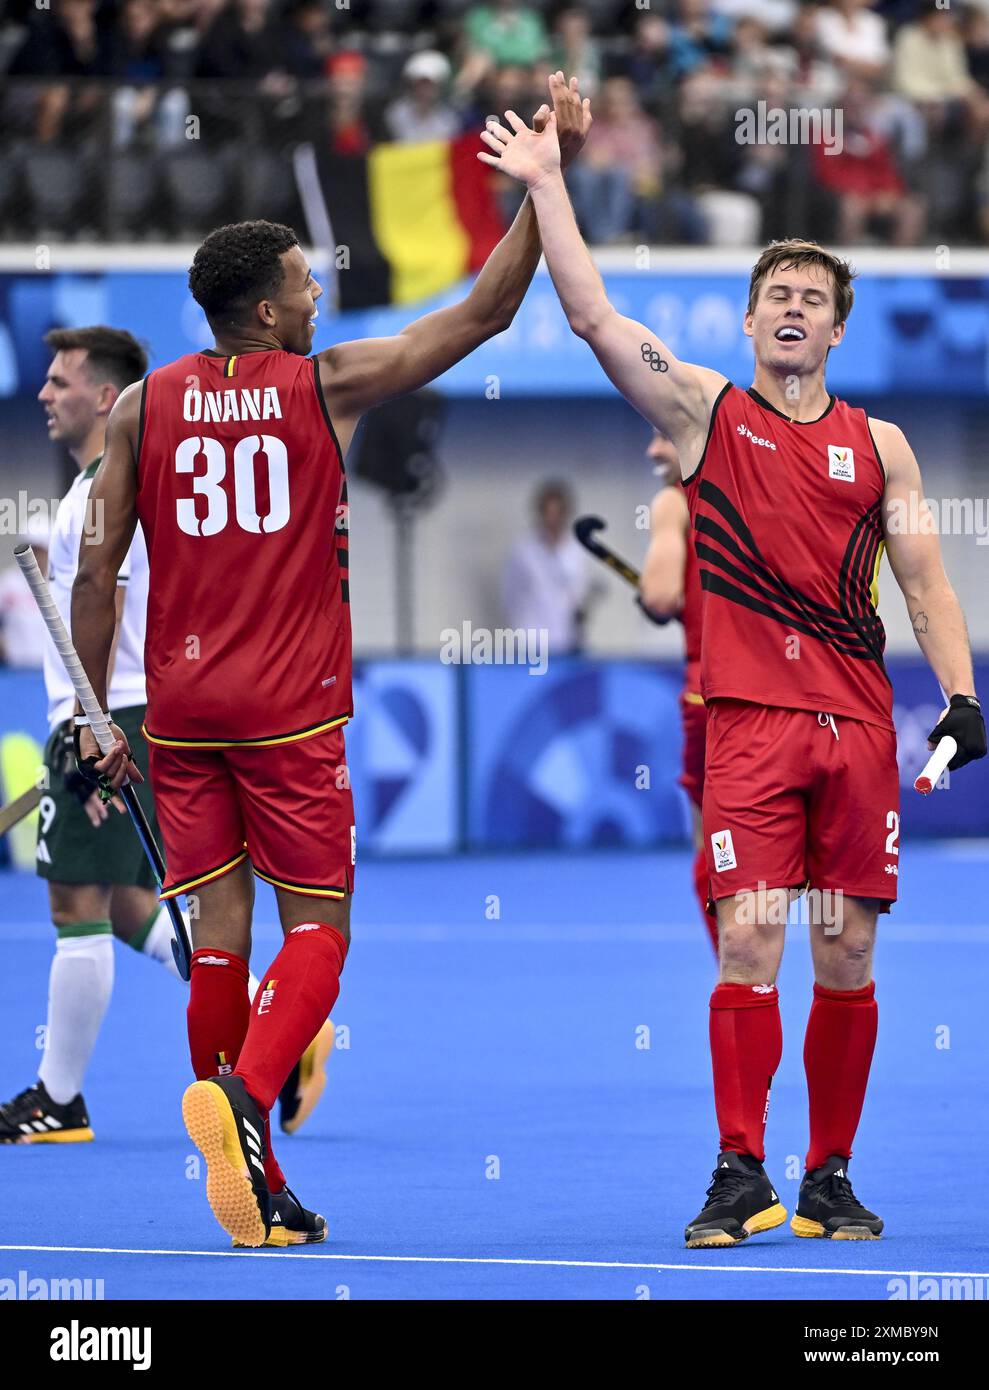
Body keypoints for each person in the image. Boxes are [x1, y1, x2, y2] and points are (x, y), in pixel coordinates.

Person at [70, 74, 591, 1249]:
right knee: (322, 930)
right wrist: (537, 194)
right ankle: (245, 1102)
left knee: (218, 937)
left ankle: (247, 1172)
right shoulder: (323, 383)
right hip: (290, 718)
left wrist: (103, 715)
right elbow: (479, 320)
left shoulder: (141, 410)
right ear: (265, 313)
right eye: (304, 281)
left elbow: (95, 575)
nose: (316, 292)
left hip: (181, 714)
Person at [480, 108, 987, 1247]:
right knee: (748, 937)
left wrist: (958, 698)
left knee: (845, 950)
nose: (792, 311)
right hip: (750, 726)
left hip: (857, 728)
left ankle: (829, 1174)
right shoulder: (706, 413)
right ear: (750, 318)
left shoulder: (882, 445)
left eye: (813, 298)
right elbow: (593, 315)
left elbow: (926, 588)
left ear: (837, 328)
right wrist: (549, 186)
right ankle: (736, 1167)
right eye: (778, 297)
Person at [0, 327, 185, 1144]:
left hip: (108, 713)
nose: (44, 394)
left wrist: (90, 728)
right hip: (115, 712)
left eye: (59, 381)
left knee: (75, 899)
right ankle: (268, 1016)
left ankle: (58, 1099)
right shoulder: (102, 486)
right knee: (122, 904)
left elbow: (107, 616)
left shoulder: (108, 488)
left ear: (105, 398)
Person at [639, 431, 717, 957]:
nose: (653, 451)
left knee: (714, 846)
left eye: (663, 436)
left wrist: (654, 599)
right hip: (787, 695)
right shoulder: (757, 488)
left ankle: (740, 979)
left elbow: (662, 595)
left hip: (711, 692)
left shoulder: (674, 500)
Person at [501, 479, 594, 656]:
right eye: (548, 513)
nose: (553, 520)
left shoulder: (576, 550)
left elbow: (580, 593)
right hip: (530, 641)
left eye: (557, 513)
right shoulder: (523, 550)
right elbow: (509, 595)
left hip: (566, 640)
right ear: (540, 513)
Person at [0, 513, 50, 669]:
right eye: (29, 549)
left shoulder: (61, 583)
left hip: (50, 672)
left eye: (38, 550)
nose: (33, 556)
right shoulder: (8, 582)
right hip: (12, 672)